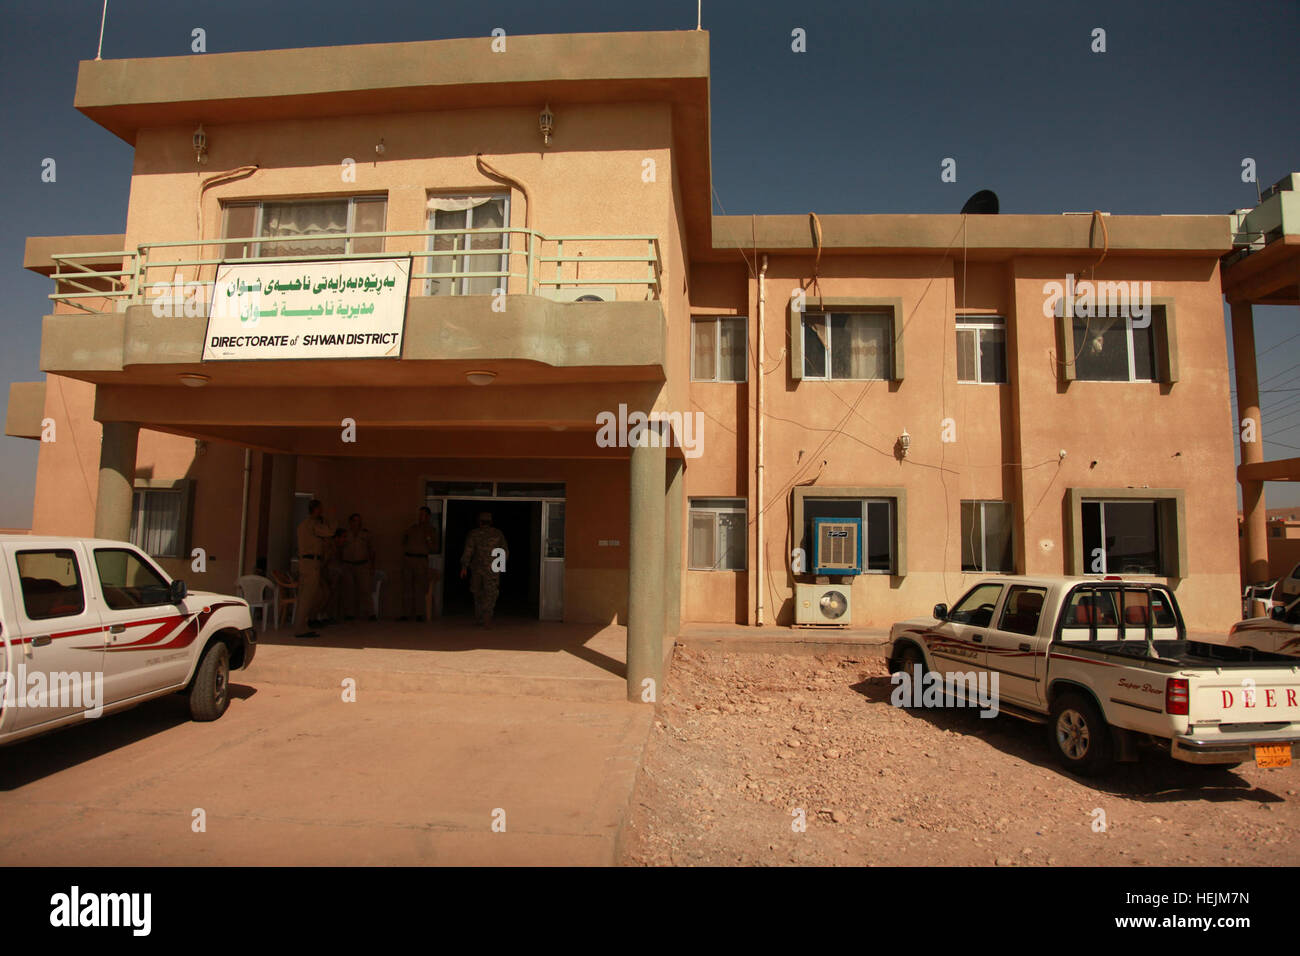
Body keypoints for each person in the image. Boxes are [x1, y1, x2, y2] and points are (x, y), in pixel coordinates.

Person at [460, 511, 508, 627]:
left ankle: (480, 617)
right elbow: (505, 551)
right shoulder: (498, 534)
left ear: (479, 521)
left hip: (477, 569)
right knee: (491, 593)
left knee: (478, 593)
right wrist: (500, 566)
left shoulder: (474, 534)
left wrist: (464, 567)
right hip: (492, 569)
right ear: (490, 521)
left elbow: (468, 551)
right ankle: (487, 616)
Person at [295, 499, 333, 637]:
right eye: (320, 509)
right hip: (311, 563)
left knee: (312, 594)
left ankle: (304, 623)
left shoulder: (302, 525)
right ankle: (300, 628)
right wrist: (330, 520)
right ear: (316, 509)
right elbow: (329, 532)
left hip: (307, 563)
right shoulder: (313, 524)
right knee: (307, 596)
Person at [400, 506, 436, 621]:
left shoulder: (431, 529)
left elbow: (434, 547)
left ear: (428, 516)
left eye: (423, 514)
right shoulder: (412, 528)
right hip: (408, 559)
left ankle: (420, 614)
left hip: (420, 560)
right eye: (419, 514)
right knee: (407, 587)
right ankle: (406, 613)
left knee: (420, 587)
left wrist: (428, 539)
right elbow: (404, 541)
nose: (420, 517)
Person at [342, 513, 376, 621]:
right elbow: (339, 548)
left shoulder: (366, 534)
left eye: (359, 521)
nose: (358, 523)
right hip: (348, 565)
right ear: (351, 522)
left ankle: (370, 613)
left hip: (362, 565)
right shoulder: (346, 534)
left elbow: (371, 550)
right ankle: (349, 614)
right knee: (349, 590)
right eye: (355, 520)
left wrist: (372, 565)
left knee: (365, 589)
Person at [322, 528, 348, 621]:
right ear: (337, 537)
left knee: (335, 594)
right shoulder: (330, 546)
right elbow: (325, 561)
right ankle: (325, 615)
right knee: (329, 595)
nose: (345, 540)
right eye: (343, 537)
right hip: (330, 573)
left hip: (335, 572)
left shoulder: (338, 548)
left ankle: (332, 615)